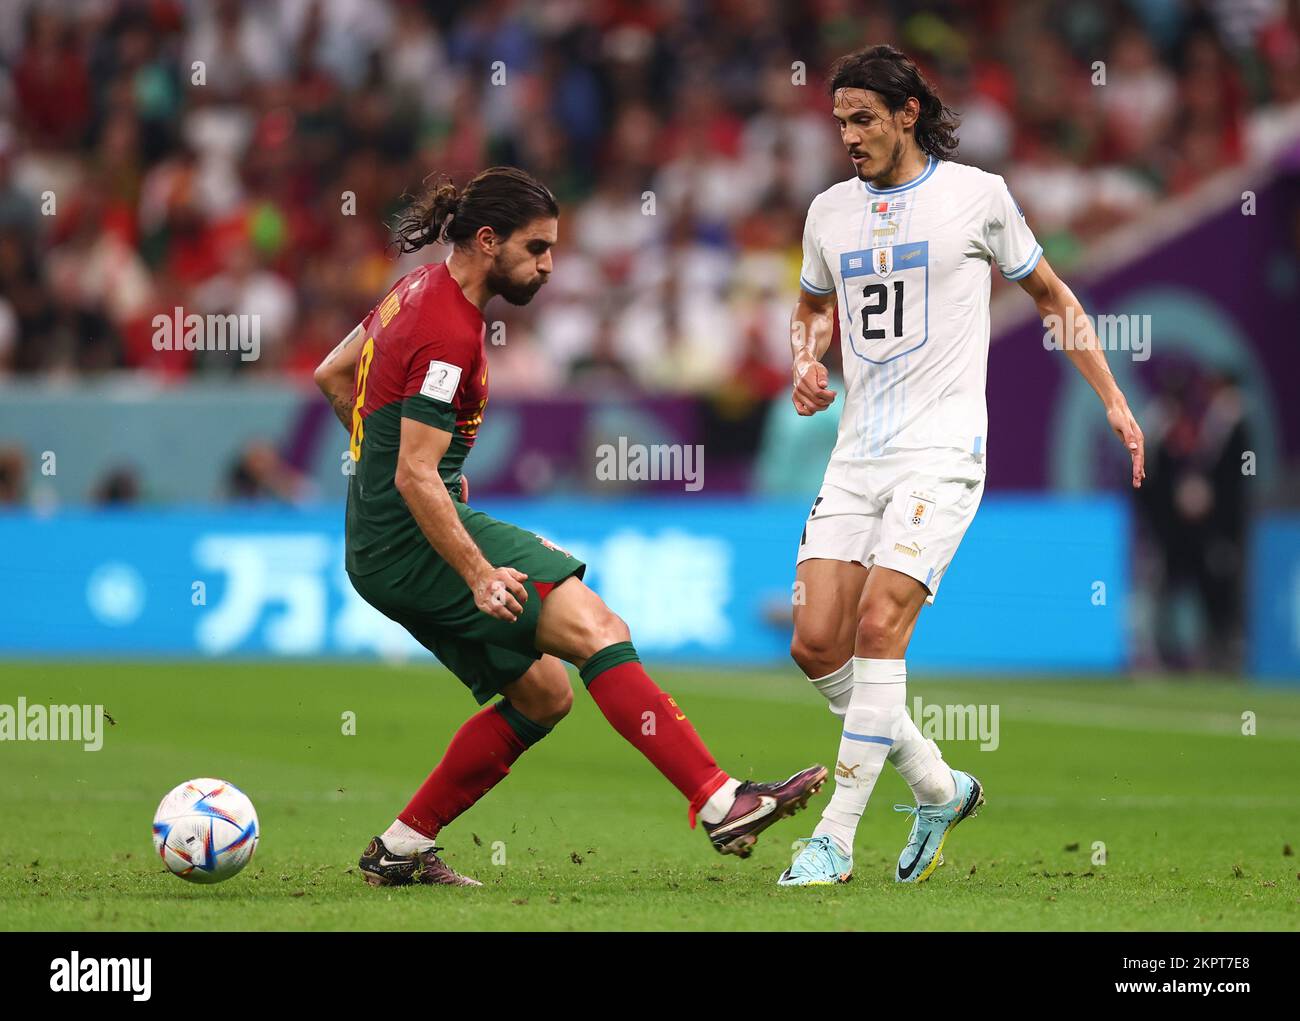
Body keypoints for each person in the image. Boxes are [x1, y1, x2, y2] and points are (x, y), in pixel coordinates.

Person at [313, 166, 825, 887]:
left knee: (544, 694)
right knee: (597, 629)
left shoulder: (415, 289)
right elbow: (415, 475)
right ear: (486, 240)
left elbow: (334, 375)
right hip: (410, 538)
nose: (549, 264)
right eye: (537, 247)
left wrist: (393, 462)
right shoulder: (446, 328)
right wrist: (476, 570)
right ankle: (720, 801)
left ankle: (401, 847)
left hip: (383, 540)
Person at [781, 46, 1145, 886]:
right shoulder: (828, 212)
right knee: (815, 641)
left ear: (908, 113)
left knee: (879, 626)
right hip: (856, 455)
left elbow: (1051, 296)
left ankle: (834, 839)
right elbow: (810, 307)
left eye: (863, 118)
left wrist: (1113, 398)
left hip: (943, 451)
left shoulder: (977, 197)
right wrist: (805, 357)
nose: (848, 136)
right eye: (839, 122)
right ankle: (938, 787)